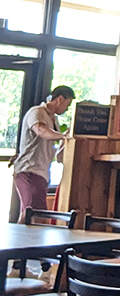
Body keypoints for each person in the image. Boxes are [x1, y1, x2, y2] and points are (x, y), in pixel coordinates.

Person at [12, 85, 74, 220]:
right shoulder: (37, 112)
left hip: (42, 172)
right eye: (67, 105)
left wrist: (67, 137)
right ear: (60, 99)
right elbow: (41, 130)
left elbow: (58, 155)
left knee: (36, 213)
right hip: (29, 169)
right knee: (30, 212)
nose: (67, 109)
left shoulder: (53, 119)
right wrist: (63, 136)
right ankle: (22, 240)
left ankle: (29, 239)